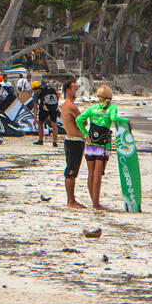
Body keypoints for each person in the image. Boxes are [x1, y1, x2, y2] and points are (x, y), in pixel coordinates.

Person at [75, 85, 130, 210]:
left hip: (90, 144)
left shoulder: (92, 108)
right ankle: (96, 203)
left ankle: (93, 200)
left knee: (91, 174)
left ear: (99, 96)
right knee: (98, 175)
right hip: (102, 144)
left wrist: (85, 134)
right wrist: (127, 121)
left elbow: (79, 119)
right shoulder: (112, 108)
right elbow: (114, 118)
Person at [60, 80, 85, 208]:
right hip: (74, 140)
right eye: (75, 88)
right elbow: (83, 122)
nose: (77, 91)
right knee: (71, 171)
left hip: (71, 139)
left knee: (71, 170)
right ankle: (71, 200)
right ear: (68, 90)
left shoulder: (65, 105)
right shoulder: (71, 106)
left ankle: (71, 199)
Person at [32, 79, 61, 147]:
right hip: (54, 107)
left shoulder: (38, 91)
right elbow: (58, 94)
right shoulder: (51, 88)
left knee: (40, 123)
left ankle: (40, 140)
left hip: (45, 108)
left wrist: (35, 118)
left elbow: (35, 105)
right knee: (54, 124)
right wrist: (56, 103)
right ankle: (55, 142)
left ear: (35, 88)